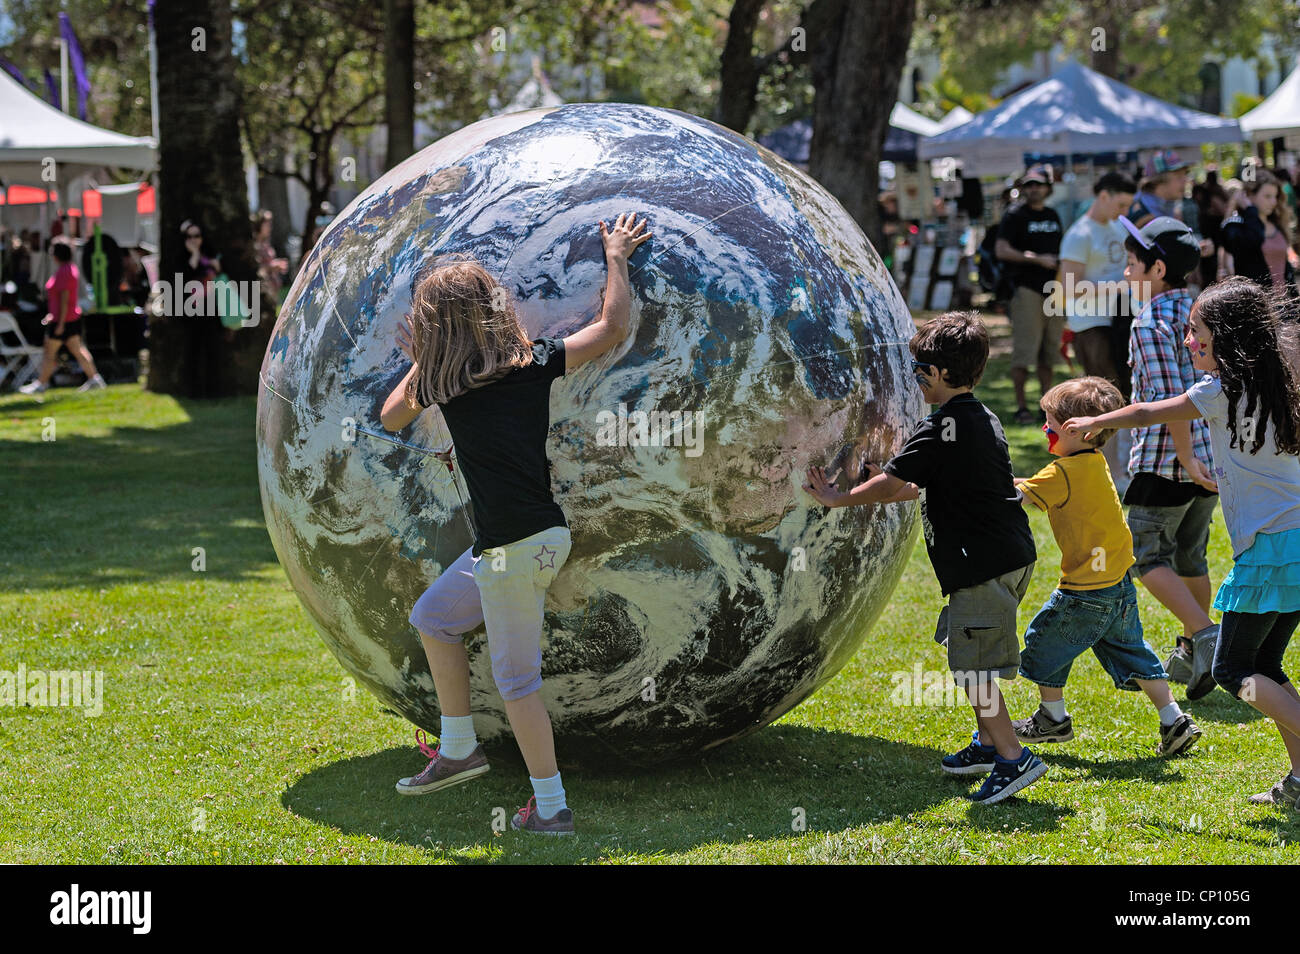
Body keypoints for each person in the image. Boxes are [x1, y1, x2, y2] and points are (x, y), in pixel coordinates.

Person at [379, 213, 652, 835]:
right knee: (435, 618)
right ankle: (457, 749)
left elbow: (393, 417)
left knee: (517, 684)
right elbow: (610, 328)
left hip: (511, 550)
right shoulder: (530, 366)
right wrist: (615, 258)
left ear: (433, 330)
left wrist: (420, 361)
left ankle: (552, 809)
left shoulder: (442, 383)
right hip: (532, 541)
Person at [1064, 277, 1300, 812]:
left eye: (1197, 332)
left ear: (1227, 339)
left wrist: (1097, 420)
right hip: (1293, 545)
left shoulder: (1219, 391)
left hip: (1271, 549)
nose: (1188, 341)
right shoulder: (1278, 383)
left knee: (1232, 670)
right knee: (1266, 664)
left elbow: (1149, 412)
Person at [804, 312, 1044, 804]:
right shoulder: (979, 418)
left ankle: (1014, 758)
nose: (916, 381)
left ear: (936, 374)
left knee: (975, 670)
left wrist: (838, 497)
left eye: (918, 372)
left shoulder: (942, 427)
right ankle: (987, 747)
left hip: (982, 565)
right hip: (1004, 556)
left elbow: (894, 481)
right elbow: (914, 485)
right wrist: (884, 484)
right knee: (970, 657)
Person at [1011, 377, 1202, 755]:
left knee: (1042, 641)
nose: (1044, 430)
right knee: (1132, 650)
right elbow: (1033, 485)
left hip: (1085, 590)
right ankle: (1174, 718)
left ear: (1077, 432)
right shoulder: (1093, 462)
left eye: (1049, 423)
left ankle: (1052, 717)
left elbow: (1014, 498)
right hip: (1117, 581)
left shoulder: (1060, 472)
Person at [1119, 215, 1221, 697]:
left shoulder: (1150, 321)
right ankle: (1189, 650)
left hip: (1169, 463)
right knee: (1190, 556)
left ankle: (1206, 638)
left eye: (1131, 263)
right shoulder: (1206, 311)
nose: (1125, 273)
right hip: (1212, 461)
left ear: (1157, 269)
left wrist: (1184, 459)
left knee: (1146, 555)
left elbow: (1169, 397)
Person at [1058, 171, 1137, 489]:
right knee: (1103, 399)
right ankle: (1111, 472)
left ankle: (1125, 467)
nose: (1124, 212)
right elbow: (1067, 287)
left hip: (1119, 320)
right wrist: (1117, 285)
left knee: (1126, 394)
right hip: (1090, 324)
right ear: (1103, 195)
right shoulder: (1080, 234)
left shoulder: (1117, 226)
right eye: (1120, 203)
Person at [997, 166, 1064, 424]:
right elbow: (1002, 250)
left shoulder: (1053, 214)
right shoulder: (1014, 215)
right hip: (1026, 290)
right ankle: (1021, 407)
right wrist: (1037, 260)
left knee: (1049, 353)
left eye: (1038, 184)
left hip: (1054, 291)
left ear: (1048, 188)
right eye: (1029, 185)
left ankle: (1045, 406)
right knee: (1025, 353)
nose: (1034, 189)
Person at [18, 238, 106, 395]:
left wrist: (59, 323)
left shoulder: (65, 271)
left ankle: (41, 384)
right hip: (66, 318)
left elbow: (65, 299)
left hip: (64, 320)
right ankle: (95, 379)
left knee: (50, 352)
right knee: (77, 350)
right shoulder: (68, 269)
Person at [1221, 169, 1295, 293]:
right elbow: (1253, 240)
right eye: (1267, 196)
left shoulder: (1276, 223)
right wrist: (1250, 209)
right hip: (1257, 303)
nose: (1273, 202)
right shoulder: (1235, 225)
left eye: (1275, 196)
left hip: (1285, 304)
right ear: (1249, 195)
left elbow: (1285, 267)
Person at [252, 210, 289, 302]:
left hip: (273, 291)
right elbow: (257, 269)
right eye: (267, 225)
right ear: (259, 225)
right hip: (264, 293)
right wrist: (272, 266)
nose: (270, 228)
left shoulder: (265, 243)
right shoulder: (254, 246)